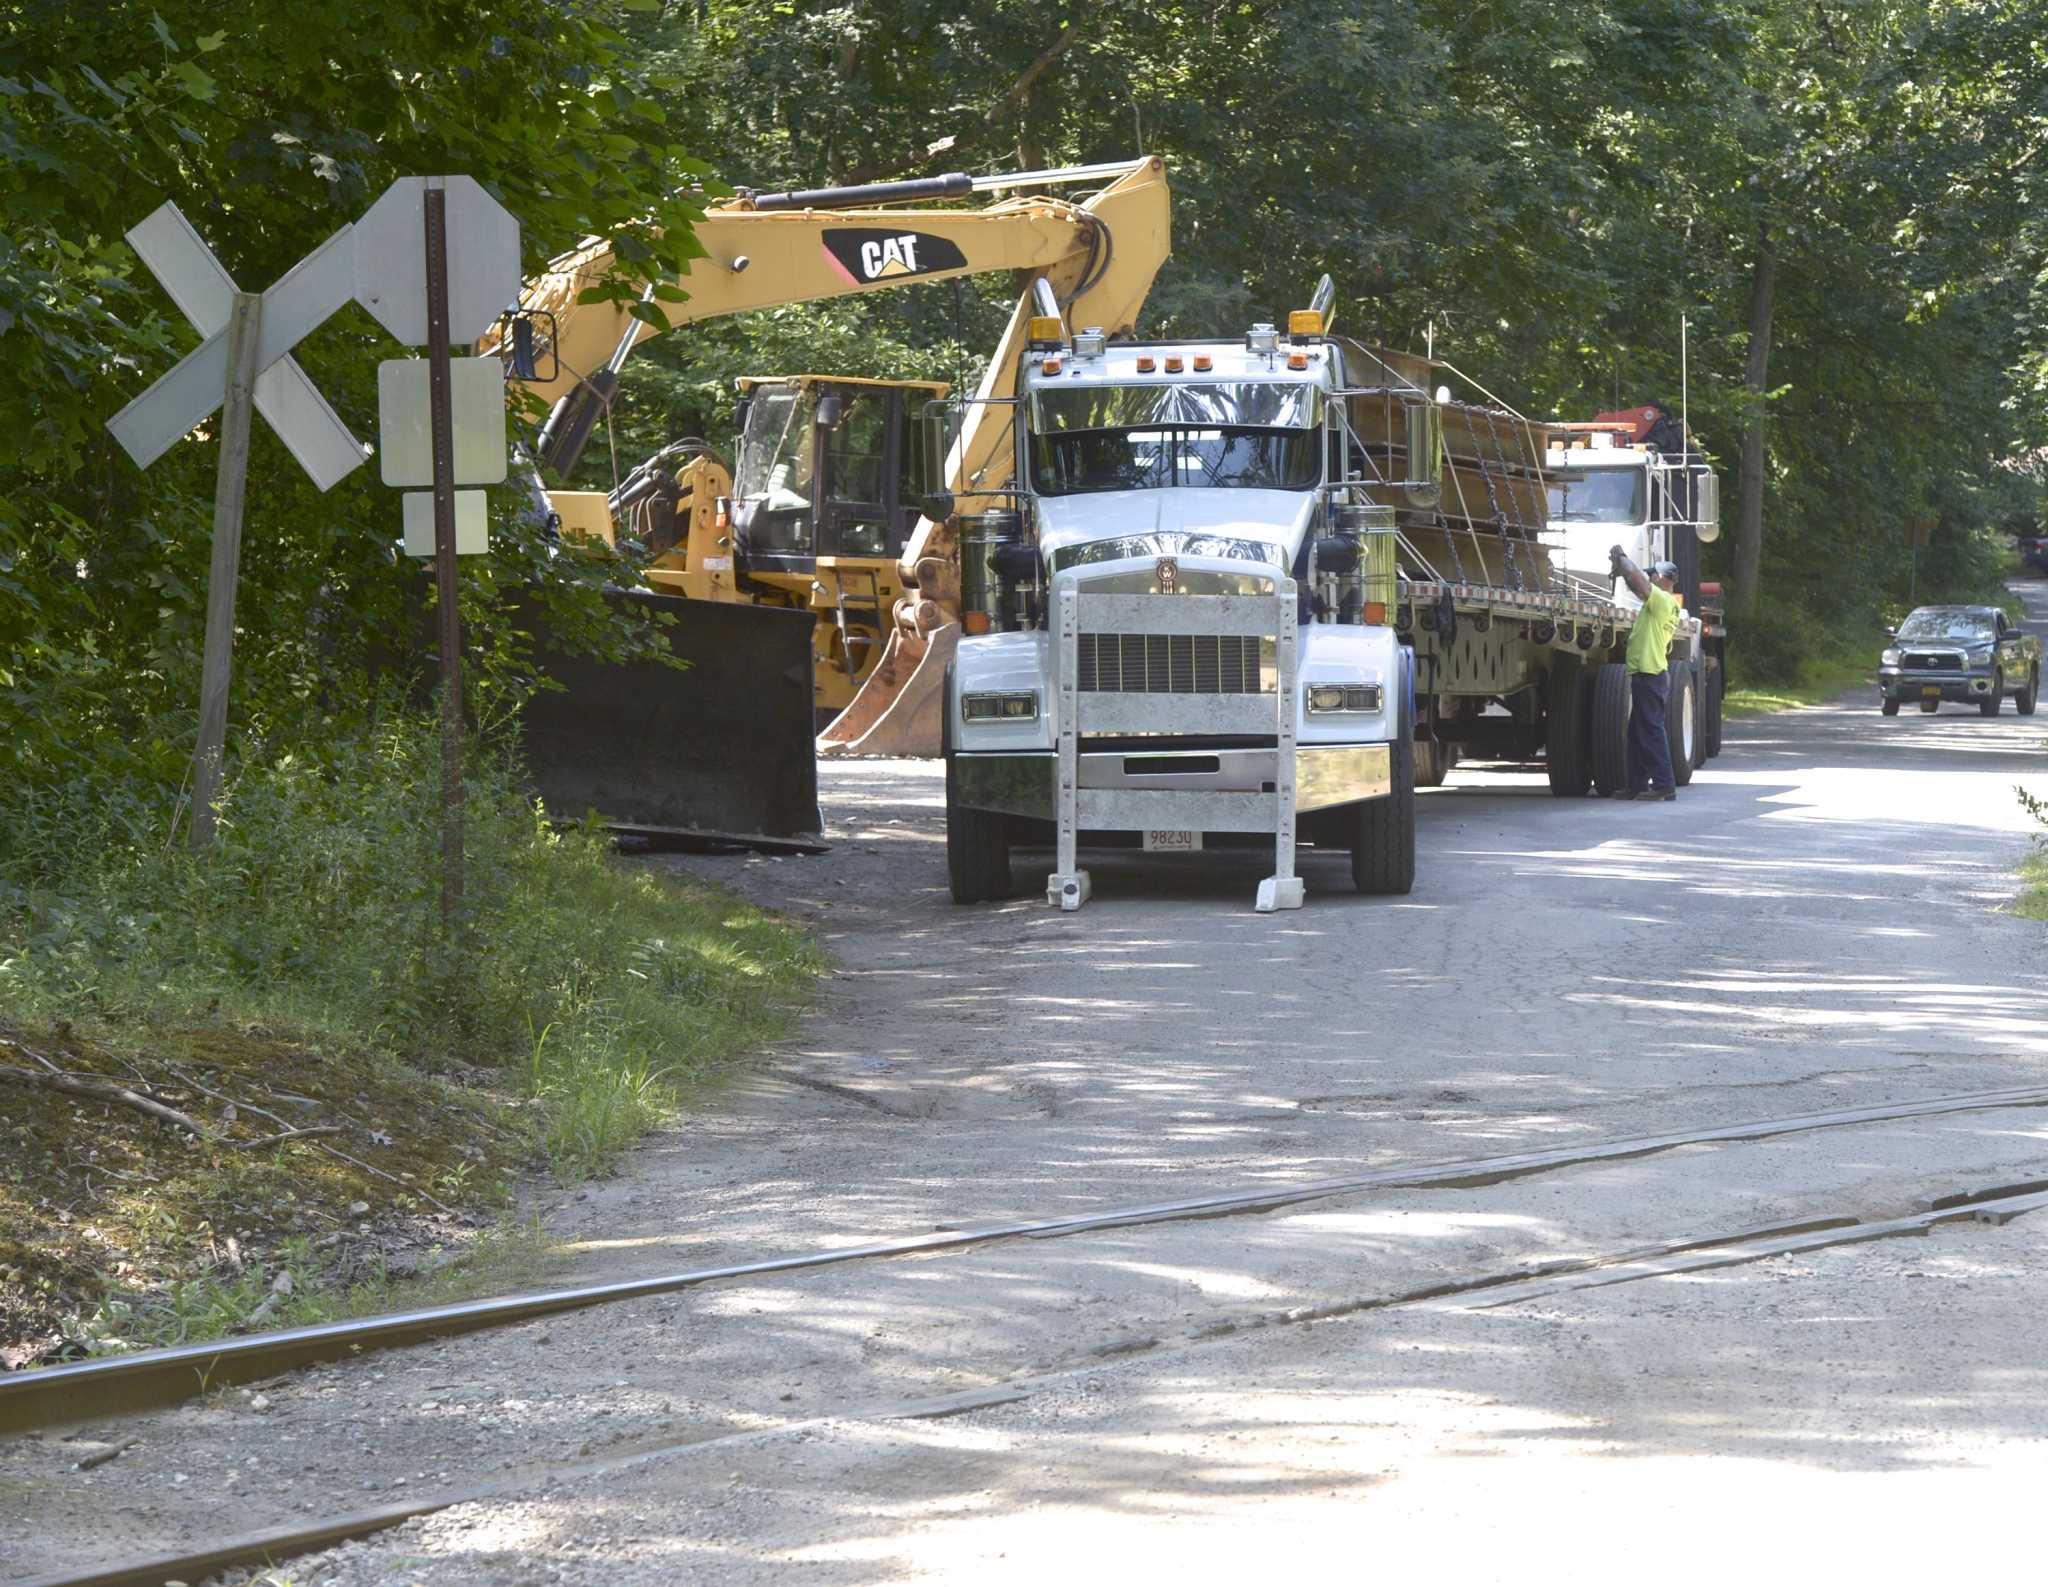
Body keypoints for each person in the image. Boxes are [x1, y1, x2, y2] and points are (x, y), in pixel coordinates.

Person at [1610, 547, 1682, 801]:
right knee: (1638, 732)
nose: (1650, 577)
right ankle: (1637, 784)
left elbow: (1640, 583)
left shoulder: (1662, 600)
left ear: (1664, 579)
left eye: (1654, 574)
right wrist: (1625, 572)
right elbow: (1637, 584)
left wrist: (1624, 560)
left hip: (1650, 675)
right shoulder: (1660, 605)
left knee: (1650, 729)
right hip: (1648, 674)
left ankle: (1664, 784)